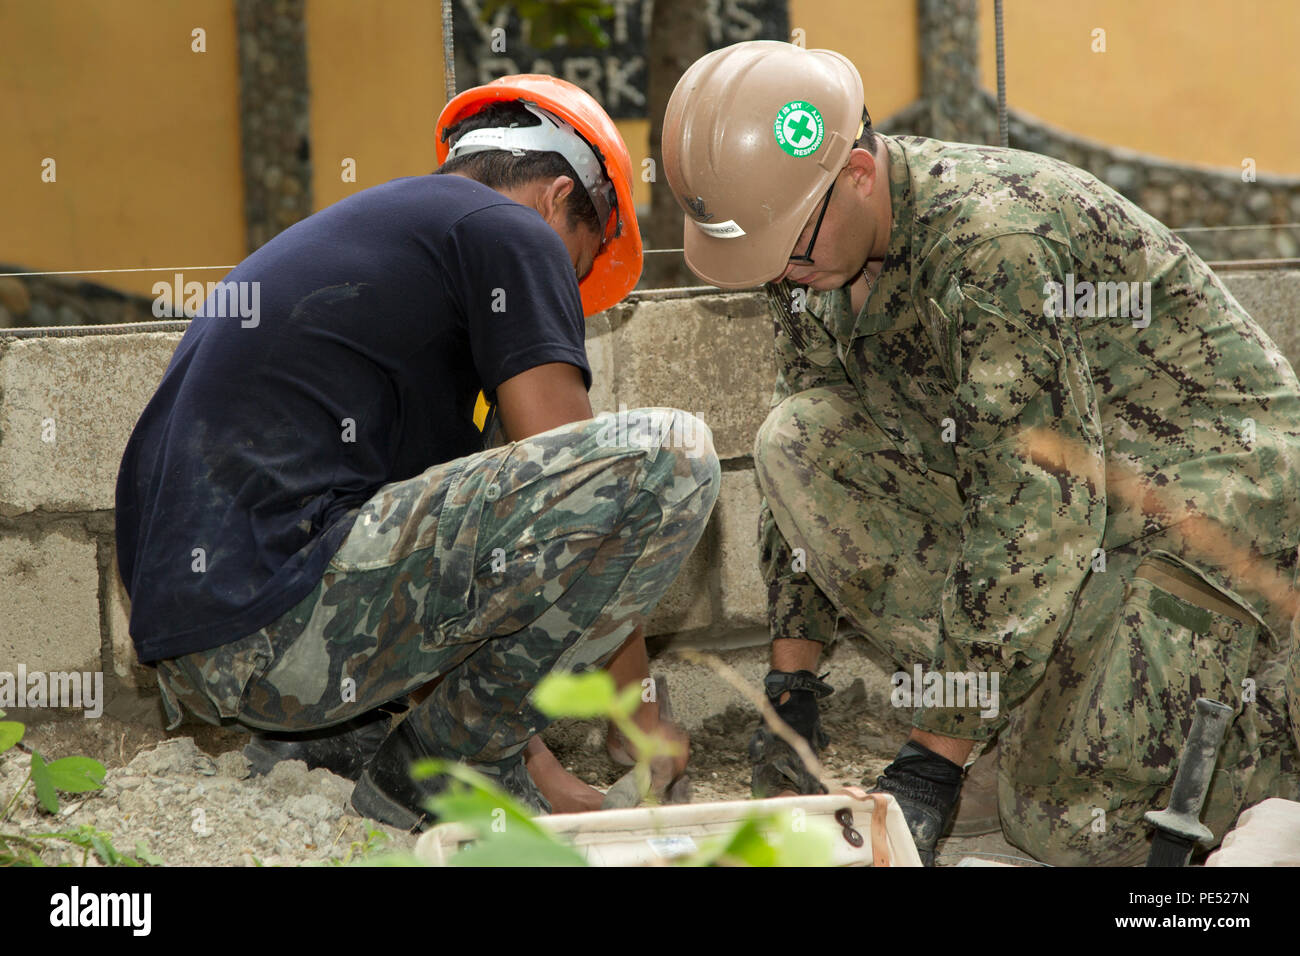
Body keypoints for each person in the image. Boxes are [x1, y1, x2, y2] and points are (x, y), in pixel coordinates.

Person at [661, 40, 1300, 865]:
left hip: (1210, 514)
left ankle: (1253, 733)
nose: (782, 274)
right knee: (799, 438)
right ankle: (1019, 721)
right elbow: (809, 504)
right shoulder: (816, 262)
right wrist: (792, 697)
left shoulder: (995, 244)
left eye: (790, 247)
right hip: (1083, 503)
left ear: (856, 173)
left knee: (1070, 832)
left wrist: (931, 759)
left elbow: (1035, 514)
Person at [115, 75, 718, 831]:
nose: (561, 293)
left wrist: (544, 775)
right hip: (282, 609)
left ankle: (357, 756)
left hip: (212, 647)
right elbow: (596, 493)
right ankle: (447, 769)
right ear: (557, 197)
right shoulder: (508, 229)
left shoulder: (382, 250)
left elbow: (437, 591)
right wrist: (640, 723)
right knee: (667, 457)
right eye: (575, 265)